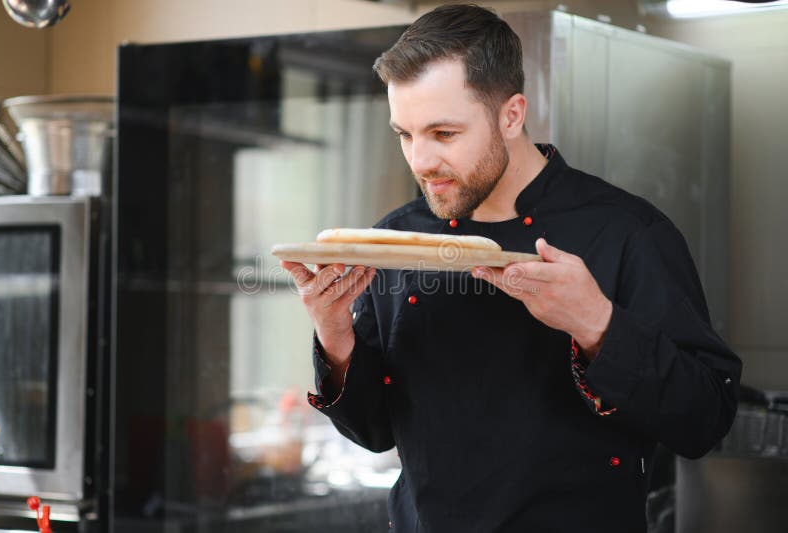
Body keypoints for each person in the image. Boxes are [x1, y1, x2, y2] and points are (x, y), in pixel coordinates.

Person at [281, 4, 741, 532]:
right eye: (405, 134)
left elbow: (706, 421)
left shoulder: (625, 232)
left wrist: (597, 324)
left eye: (444, 134)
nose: (421, 160)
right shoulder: (393, 240)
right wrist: (335, 334)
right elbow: (374, 431)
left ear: (512, 115)